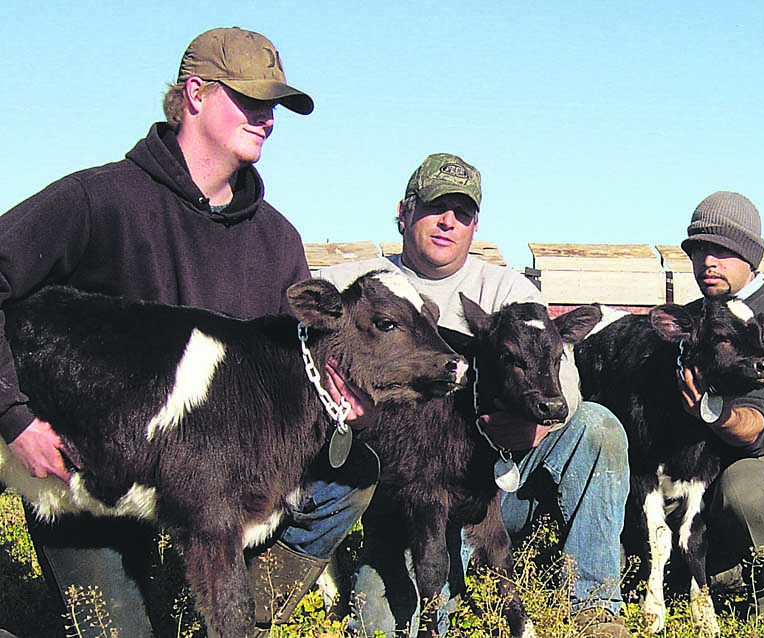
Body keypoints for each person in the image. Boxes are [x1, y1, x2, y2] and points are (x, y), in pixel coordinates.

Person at [0, 27, 349, 637]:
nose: (266, 118)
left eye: (275, 107)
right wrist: (14, 417)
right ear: (194, 94)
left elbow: (302, 372)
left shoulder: (278, 243)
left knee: (352, 478)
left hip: (208, 492)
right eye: (251, 100)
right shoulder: (97, 200)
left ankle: (236, 617)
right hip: (84, 482)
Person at [316, 153, 631, 638]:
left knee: (597, 426)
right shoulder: (358, 284)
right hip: (403, 492)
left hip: (492, 473)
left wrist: (534, 426)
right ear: (403, 212)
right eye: (435, 207)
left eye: (462, 213)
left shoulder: (502, 287)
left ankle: (595, 607)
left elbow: (559, 375)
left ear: (475, 224)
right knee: (378, 624)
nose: (448, 223)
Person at [677, 191, 764, 635]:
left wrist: (711, 413)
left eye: (722, 250)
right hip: (699, 456)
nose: (708, 262)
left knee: (744, 491)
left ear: (751, 257)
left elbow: (759, 429)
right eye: (699, 250)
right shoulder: (699, 316)